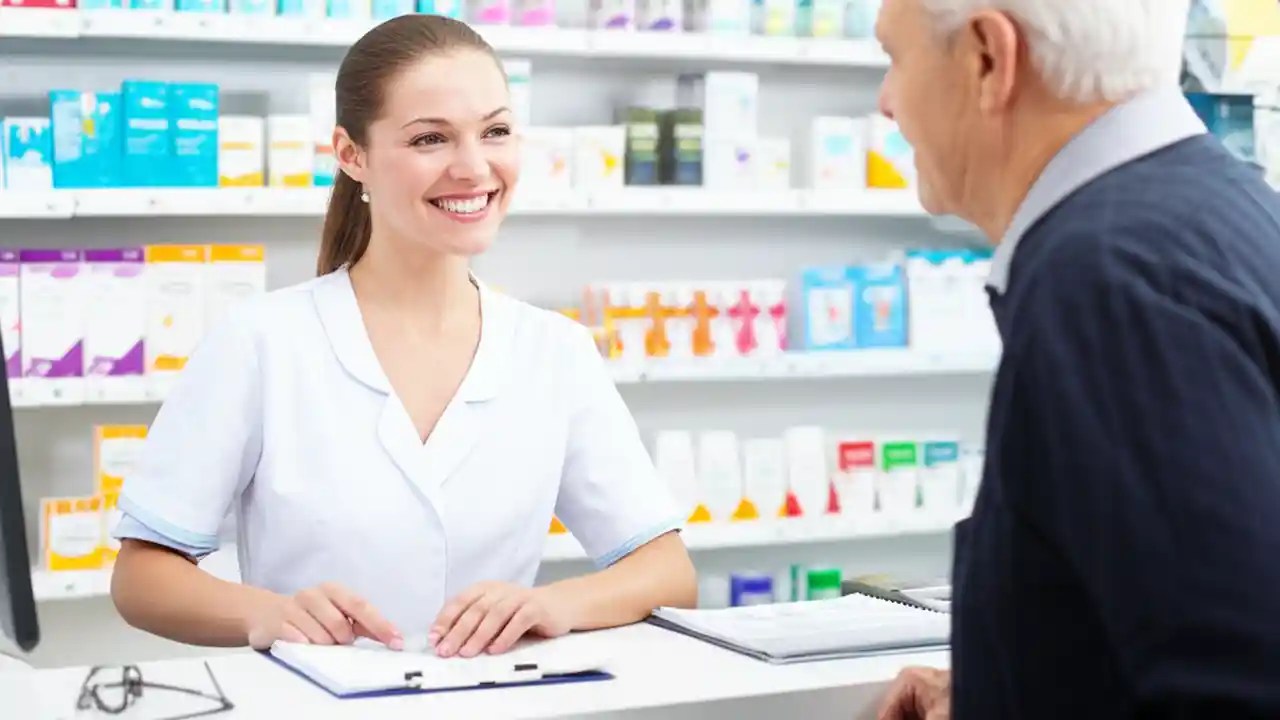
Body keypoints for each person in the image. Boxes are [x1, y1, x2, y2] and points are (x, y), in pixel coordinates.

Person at [109, 14, 697, 659]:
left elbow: (666, 571)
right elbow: (142, 578)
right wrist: (269, 613)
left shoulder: (554, 351)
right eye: (429, 140)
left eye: (495, 131)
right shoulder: (261, 343)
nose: (474, 168)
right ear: (350, 155)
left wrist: (551, 604)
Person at [873, 0, 1280, 718]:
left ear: (988, 60)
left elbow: (1234, 691)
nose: (886, 105)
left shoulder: (1109, 281)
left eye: (896, 59)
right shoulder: (1218, 211)